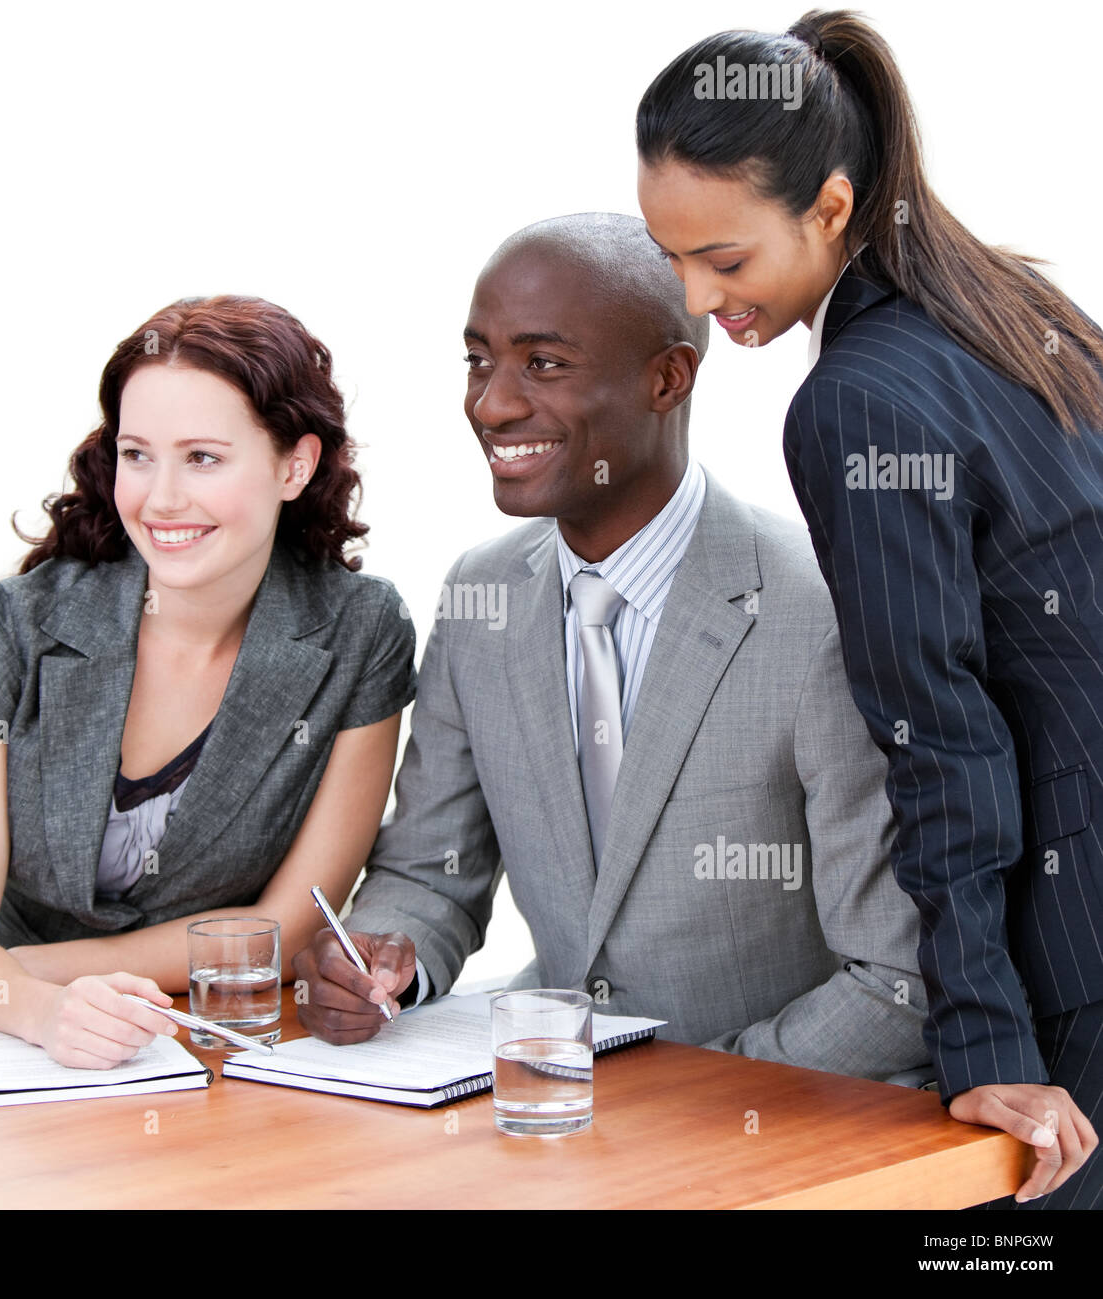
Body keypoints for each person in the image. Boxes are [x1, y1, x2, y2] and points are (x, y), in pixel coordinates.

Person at [635, 9, 1103, 1207]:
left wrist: (988, 1047)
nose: (694, 297)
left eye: (725, 261)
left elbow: (937, 734)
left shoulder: (855, 404)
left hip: (1077, 945)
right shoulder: (1010, 310)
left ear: (831, 208)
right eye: (669, 255)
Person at [293, 213, 931, 1086]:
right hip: (557, 1109)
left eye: (543, 363)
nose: (492, 403)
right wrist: (382, 960)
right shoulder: (481, 600)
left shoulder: (817, 611)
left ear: (669, 378)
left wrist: (682, 1098)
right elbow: (431, 874)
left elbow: (896, 980)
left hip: (774, 1119)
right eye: (479, 360)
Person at [0, 295, 416, 1069]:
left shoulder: (359, 631)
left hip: (224, 1048)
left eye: (203, 457)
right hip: (10, 1049)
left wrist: (20, 971)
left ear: (295, 464)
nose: (160, 498)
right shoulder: (21, 622)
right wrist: (43, 1011)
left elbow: (282, 927)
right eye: (137, 454)